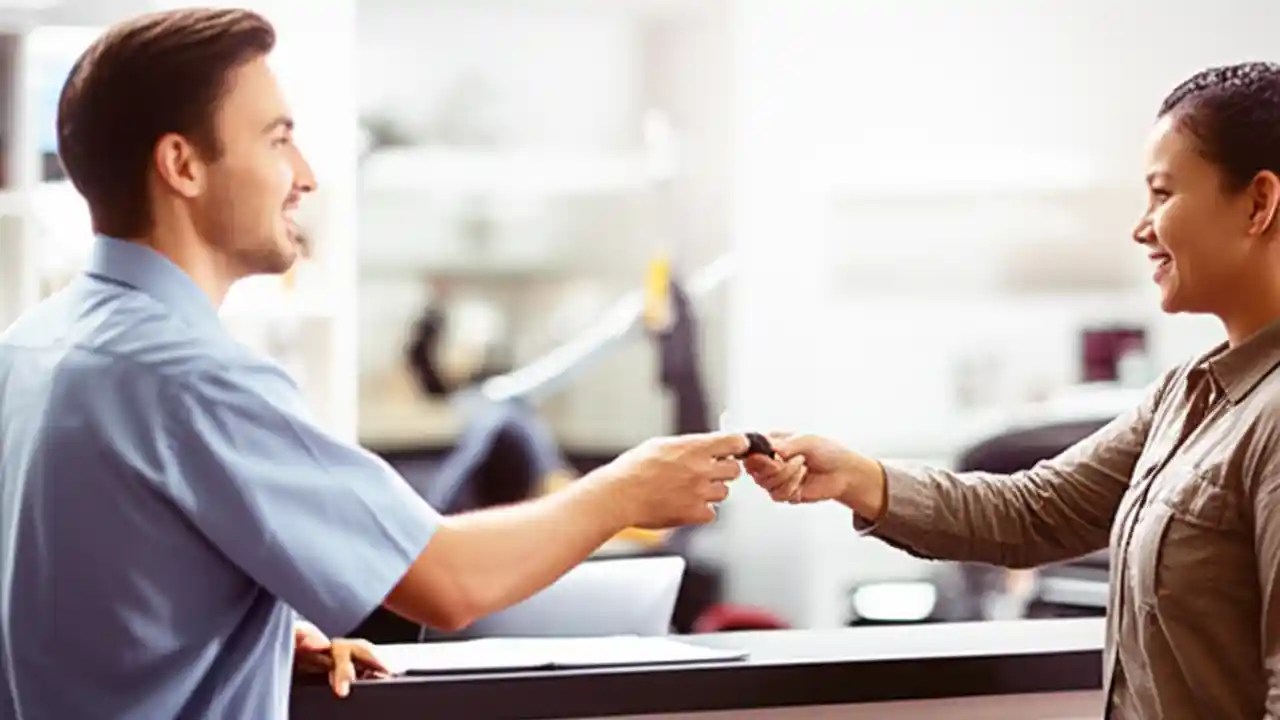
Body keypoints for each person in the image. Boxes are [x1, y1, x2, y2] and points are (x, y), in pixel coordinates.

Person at [0, 8, 748, 719]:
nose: (306, 174)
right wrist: (624, 491)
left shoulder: (29, 349)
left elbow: (71, 604)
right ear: (182, 165)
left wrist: (238, 642)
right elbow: (450, 582)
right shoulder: (193, 377)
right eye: (277, 139)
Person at [745, 61, 1280, 719]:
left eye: (1163, 195)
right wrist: (859, 478)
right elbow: (1034, 511)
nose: (1141, 228)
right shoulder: (1189, 394)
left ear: (1259, 203)